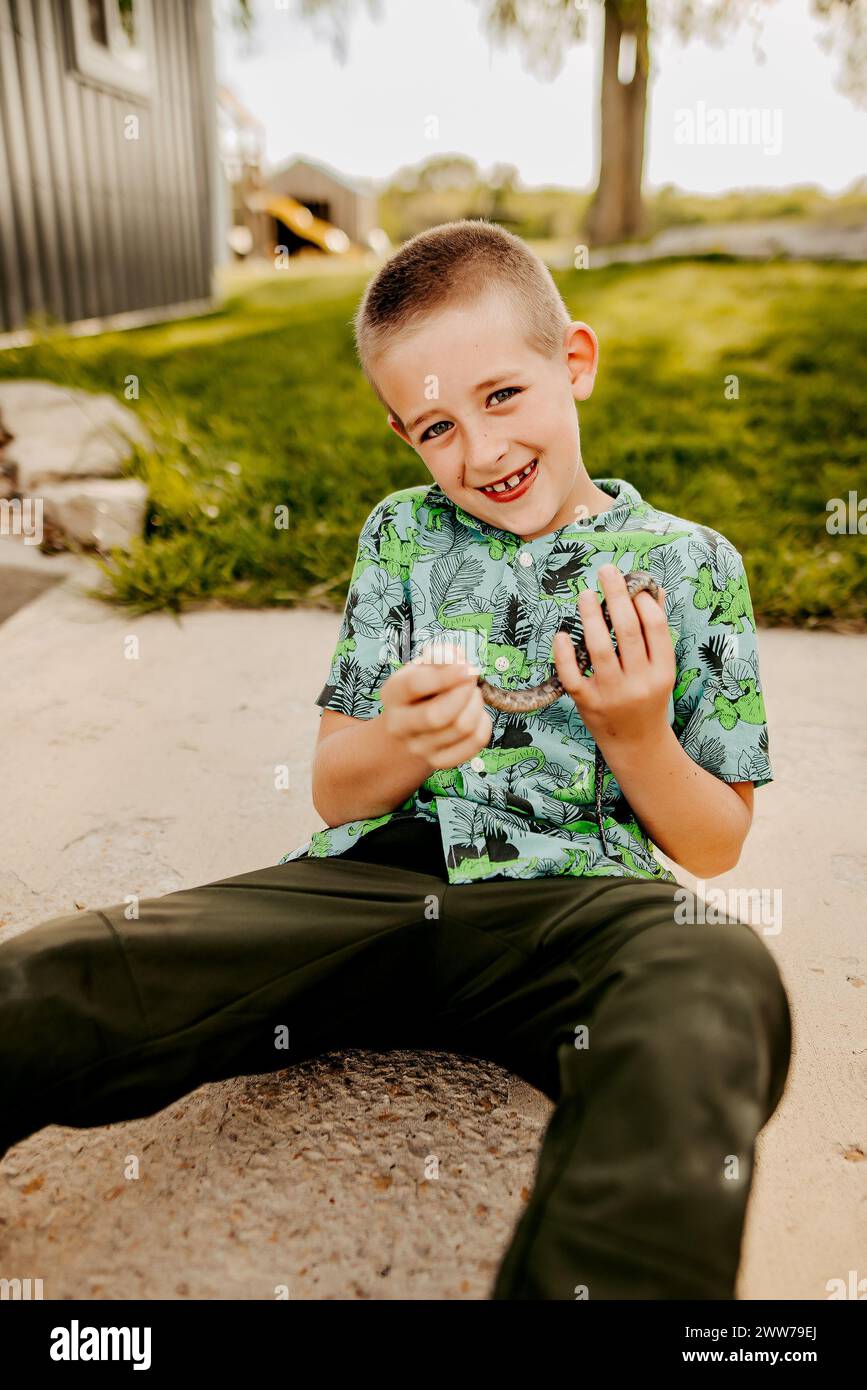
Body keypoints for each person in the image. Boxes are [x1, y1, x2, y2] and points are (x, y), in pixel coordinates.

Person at [0, 219, 792, 1300]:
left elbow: (716, 839)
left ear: (576, 362)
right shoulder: (400, 538)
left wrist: (639, 736)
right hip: (371, 889)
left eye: (503, 397)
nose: (481, 452)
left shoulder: (694, 566)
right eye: (435, 427)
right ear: (400, 431)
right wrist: (399, 742)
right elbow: (335, 784)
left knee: (716, 977)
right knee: (80, 965)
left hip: (580, 908)